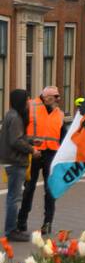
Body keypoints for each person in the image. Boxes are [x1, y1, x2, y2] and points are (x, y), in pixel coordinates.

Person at [16, 86, 65, 237]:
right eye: (55, 97)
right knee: (29, 188)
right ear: (46, 97)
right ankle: (21, 222)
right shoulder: (31, 106)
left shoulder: (60, 114)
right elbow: (20, 131)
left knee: (50, 190)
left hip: (51, 154)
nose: (58, 100)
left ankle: (47, 223)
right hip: (33, 154)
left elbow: (63, 136)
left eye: (58, 97)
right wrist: (27, 148)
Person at [0, 89, 35, 241]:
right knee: (14, 198)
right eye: (27, 100)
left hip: (10, 161)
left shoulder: (10, 114)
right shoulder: (15, 117)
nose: (29, 103)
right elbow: (15, 141)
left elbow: (17, 137)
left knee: (12, 197)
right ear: (22, 101)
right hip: (15, 162)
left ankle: (11, 229)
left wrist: (31, 139)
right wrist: (32, 149)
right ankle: (11, 230)